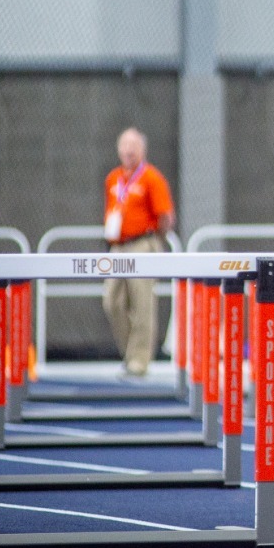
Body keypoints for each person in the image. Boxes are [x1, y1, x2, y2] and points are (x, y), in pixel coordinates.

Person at [101, 127, 175, 380]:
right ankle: (130, 352)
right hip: (118, 246)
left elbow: (165, 216)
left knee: (142, 303)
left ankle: (139, 361)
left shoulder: (152, 178)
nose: (128, 151)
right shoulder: (113, 179)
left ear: (142, 150)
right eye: (124, 145)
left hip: (142, 244)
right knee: (112, 301)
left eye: (133, 146)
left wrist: (154, 241)